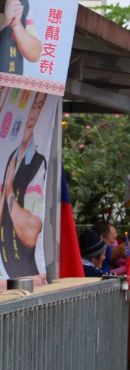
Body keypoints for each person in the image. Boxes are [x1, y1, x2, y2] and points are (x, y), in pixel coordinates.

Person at [0, 91, 47, 279]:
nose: (33, 113)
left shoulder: (37, 164)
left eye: (38, 107)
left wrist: (9, 190)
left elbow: (30, 231)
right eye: (31, 106)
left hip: (24, 278)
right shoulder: (10, 156)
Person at [0, 0, 42, 75]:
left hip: (10, 81)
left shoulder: (21, 4)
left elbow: (35, 54)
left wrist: (16, 25)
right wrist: (3, 22)